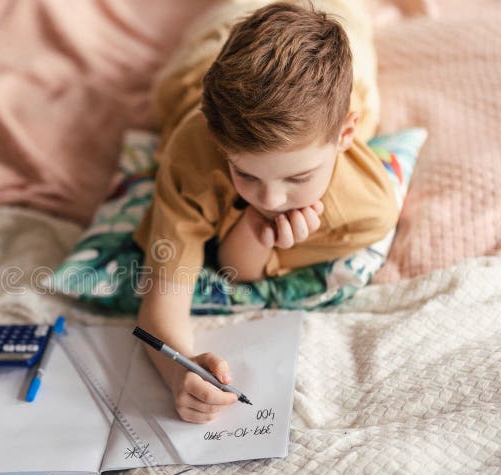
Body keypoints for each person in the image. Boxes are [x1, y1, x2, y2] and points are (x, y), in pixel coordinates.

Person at [134, 1, 398, 423]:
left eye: (297, 178)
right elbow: (161, 300)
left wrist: (258, 229)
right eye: (245, 173)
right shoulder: (192, 153)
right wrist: (178, 370)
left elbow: (242, 269)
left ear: (345, 134)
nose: (271, 200)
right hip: (211, 54)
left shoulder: (364, 211)